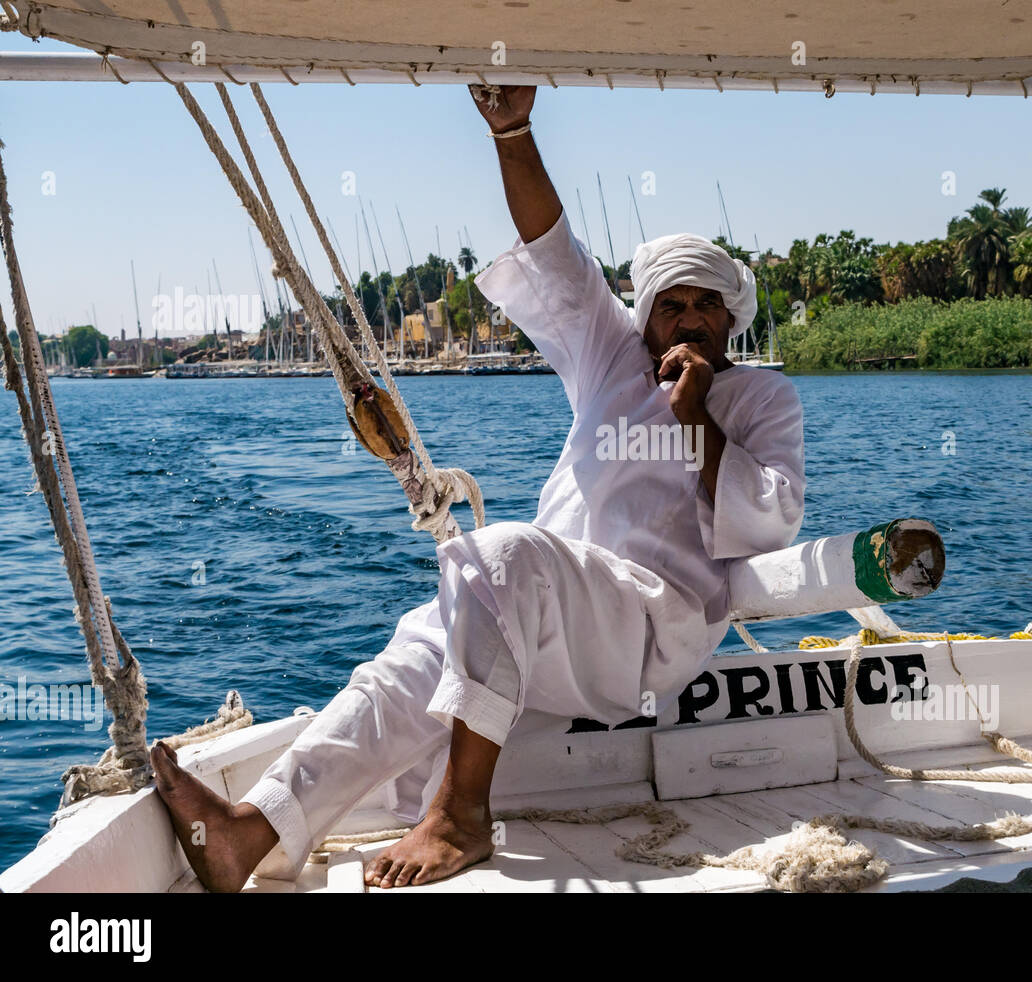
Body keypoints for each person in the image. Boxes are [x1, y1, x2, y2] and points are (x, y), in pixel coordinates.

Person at [150, 84, 805, 891]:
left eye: (708, 305)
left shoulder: (762, 400)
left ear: (732, 320)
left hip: (653, 630)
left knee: (499, 556)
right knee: (416, 650)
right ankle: (251, 830)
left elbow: (772, 518)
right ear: (646, 320)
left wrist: (699, 417)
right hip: (547, 618)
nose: (691, 319)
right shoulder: (609, 360)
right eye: (672, 306)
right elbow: (558, 254)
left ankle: (461, 814)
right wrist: (513, 131)